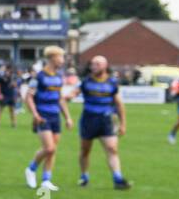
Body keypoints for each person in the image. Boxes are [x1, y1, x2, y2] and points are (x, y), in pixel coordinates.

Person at [76, 55, 131, 190]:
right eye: (93, 64)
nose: (94, 66)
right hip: (88, 121)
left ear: (105, 66)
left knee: (112, 149)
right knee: (85, 151)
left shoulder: (112, 83)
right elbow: (74, 92)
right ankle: (84, 176)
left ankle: (117, 178)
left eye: (97, 64)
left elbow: (119, 104)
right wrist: (67, 96)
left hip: (106, 120)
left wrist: (123, 123)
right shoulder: (86, 81)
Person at [24, 46, 71, 191]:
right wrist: (36, 115)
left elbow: (60, 99)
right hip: (43, 116)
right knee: (49, 148)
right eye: (60, 57)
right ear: (52, 58)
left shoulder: (58, 77)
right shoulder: (39, 76)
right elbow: (28, 97)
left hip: (55, 116)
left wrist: (67, 117)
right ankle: (31, 169)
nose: (62, 60)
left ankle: (46, 180)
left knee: (52, 150)